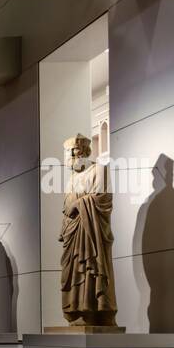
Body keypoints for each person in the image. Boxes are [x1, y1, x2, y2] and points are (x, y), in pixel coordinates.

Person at [59, 134, 117, 326]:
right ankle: (77, 311)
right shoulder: (71, 179)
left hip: (91, 233)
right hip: (74, 233)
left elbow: (104, 198)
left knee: (90, 268)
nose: (68, 159)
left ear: (80, 152)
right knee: (75, 270)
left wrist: (78, 204)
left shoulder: (98, 170)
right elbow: (67, 208)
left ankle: (94, 312)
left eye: (70, 153)